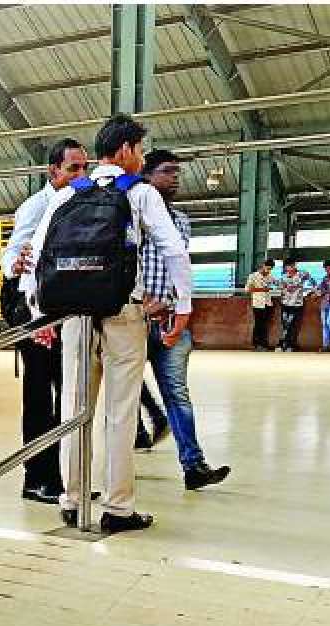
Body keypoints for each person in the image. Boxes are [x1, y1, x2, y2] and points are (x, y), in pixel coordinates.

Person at [21, 113, 194, 534]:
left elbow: (35, 256)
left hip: (75, 316)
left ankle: (72, 499)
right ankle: (118, 508)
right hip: (123, 313)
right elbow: (173, 249)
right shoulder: (140, 192)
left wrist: (37, 313)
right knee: (121, 411)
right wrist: (184, 305)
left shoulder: (68, 193)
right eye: (140, 149)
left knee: (73, 407)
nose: (142, 158)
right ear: (126, 150)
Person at [139, 148, 230, 489]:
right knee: (123, 397)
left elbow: (181, 270)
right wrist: (140, 301)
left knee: (177, 394)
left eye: (177, 172)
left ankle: (194, 466)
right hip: (135, 321)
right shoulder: (132, 216)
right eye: (167, 171)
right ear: (147, 176)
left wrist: (180, 311)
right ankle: (117, 469)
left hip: (170, 324)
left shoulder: (181, 221)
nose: (175, 178)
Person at [2, 137, 87, 504]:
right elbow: (12, 257)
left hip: (64, 309)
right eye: (73, 168)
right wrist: (18, 268)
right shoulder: (37, 206)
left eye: (84, 168)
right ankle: (36, 478)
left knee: (65, 395)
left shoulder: (79, 203)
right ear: (53, 171)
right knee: (40, 397)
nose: (81, 175)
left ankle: (63, 477)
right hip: (34, 310)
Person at [275, 259, 314, 352]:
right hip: (285, 303)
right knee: (285, 324)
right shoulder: (283, 277)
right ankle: (284, 344)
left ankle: (289, 344)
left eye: (291, 266)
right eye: (287, 267)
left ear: (294, 266)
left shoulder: (302, 274)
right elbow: (279, 288)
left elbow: (312, 282)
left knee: (292, 324)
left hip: (296, 304)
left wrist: (311, 291)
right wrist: (283, 289)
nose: (289, 268)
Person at [245, 259, 277, 351]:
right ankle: (256, 344)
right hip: (258, 303)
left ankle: (264, 344)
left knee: (265, 324)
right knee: (259, 323)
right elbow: (247, 289)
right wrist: (262, 290)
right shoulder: (253, 276)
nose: (268, 271)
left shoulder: (270, 277)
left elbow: (277, 284)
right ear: (263, 266)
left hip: (267, 302)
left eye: (270, 269)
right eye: (267, 268)